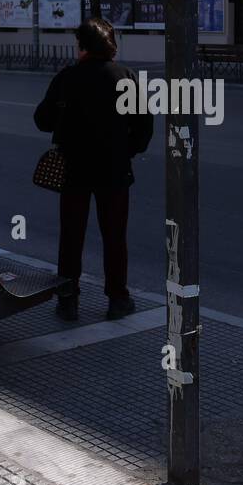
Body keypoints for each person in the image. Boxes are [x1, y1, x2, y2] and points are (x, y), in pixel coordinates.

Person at [34, 18, 153, 321]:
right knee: (115, 236)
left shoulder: (67, 78)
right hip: (113, 170)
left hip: (74, 170)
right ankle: (117, 298)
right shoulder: (124, 77)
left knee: (71, 236)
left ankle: (68, 300)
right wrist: (125, 149)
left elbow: (42, 120)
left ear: (83, 46)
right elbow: (144, 127)